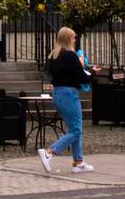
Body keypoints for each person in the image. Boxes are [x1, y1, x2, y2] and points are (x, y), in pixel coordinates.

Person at [38, 27, 94, 174]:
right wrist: (92, 73)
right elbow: (82, 77)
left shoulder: (53, 56)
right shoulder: (70, 55)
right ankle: (50, 152)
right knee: (76, 130)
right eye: (74, 38)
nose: (75, 40)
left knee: (73, 128)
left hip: (57, 93)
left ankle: (78, 162)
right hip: (69, 94)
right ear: (68, 39)